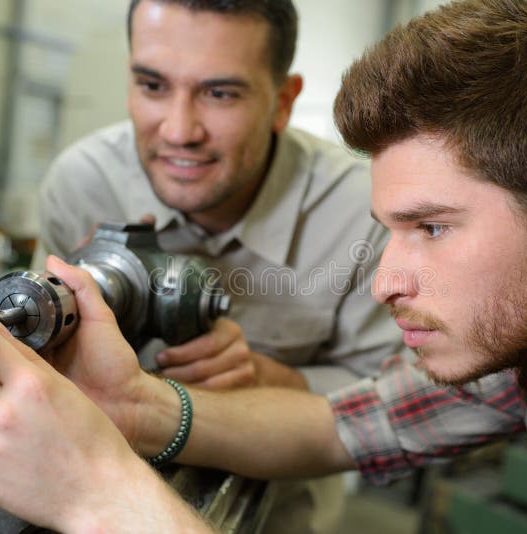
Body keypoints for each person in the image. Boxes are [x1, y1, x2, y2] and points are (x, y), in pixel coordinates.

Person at [0, 0, 527, 532]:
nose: (385, 282)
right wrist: (135, 407)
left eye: (432, 229)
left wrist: (100, 495)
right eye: (391, 232)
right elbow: (340, 427)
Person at [29, 0, 406, 532]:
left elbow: (394, 397)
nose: (180, 131)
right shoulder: (83, 183)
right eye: (153, 86)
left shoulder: (360, 216)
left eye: (220, 93)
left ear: (283, 101)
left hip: (281, 504)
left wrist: (272, 379)